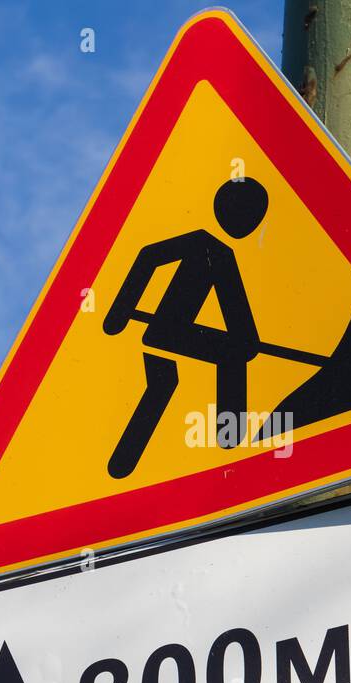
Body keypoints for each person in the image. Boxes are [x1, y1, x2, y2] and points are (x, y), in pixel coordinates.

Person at [103, 178, 269, 479]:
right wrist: (119, 313)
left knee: (187, 375)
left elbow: (238, 316)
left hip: (168, 331)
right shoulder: (205, 245)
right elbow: (148, 257)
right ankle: (227, 438)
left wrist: (248, 343)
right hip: (166, 329)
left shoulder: (221, 254)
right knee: (171, 381)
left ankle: (227, 439)